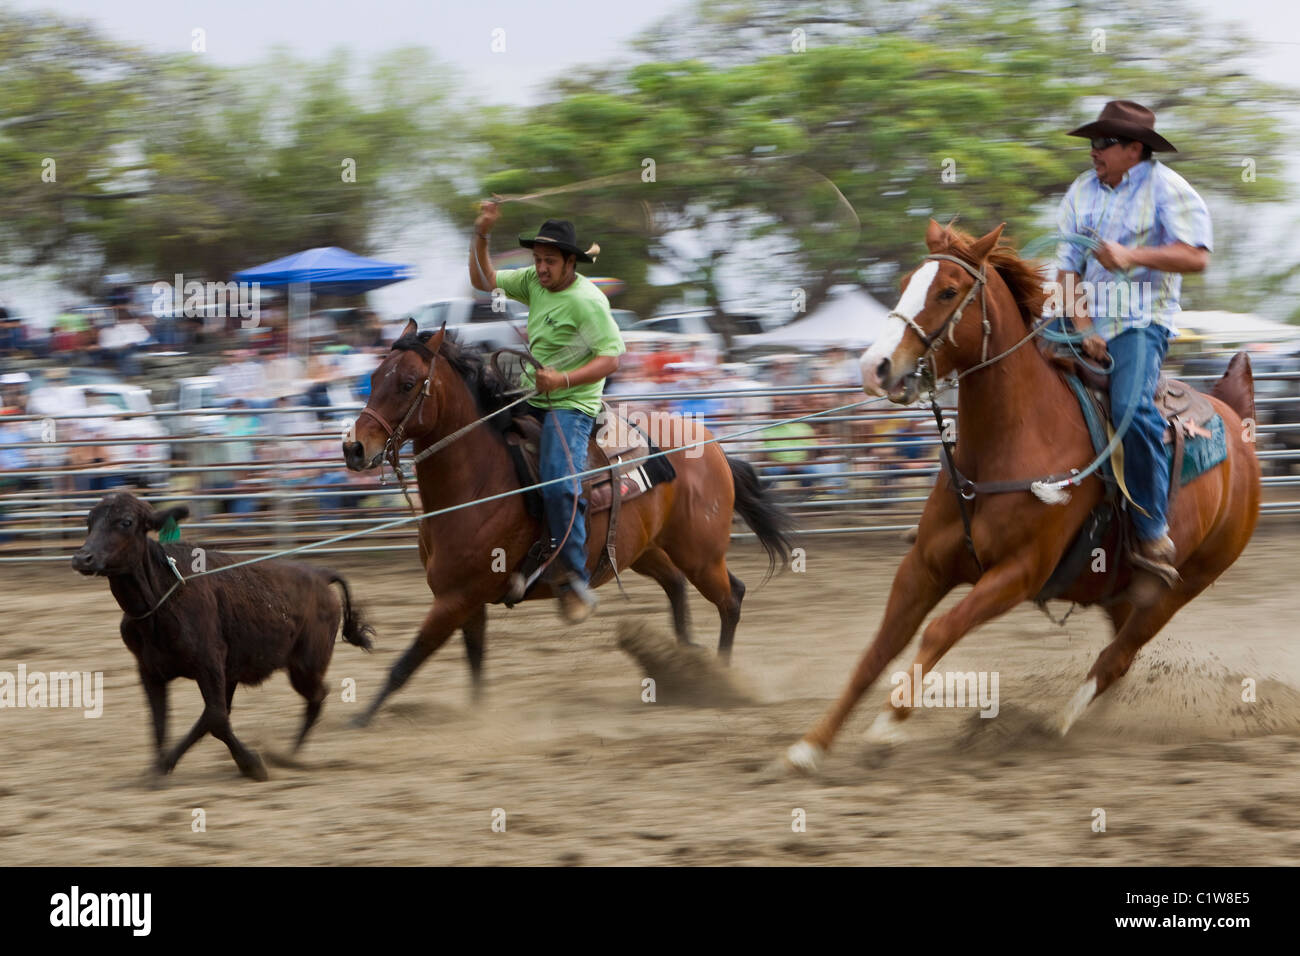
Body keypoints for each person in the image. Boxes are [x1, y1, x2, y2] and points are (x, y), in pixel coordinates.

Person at [1052, 100, 1212, 602]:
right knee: (998, 369)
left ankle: (1151, 529)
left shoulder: (1170, 190)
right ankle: (960, 510)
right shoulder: (1081, 191)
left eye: (1103, 143)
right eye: (1093, 142)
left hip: (1140, 321)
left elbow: (1196, 257)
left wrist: (1132, 255)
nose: (1093, 152)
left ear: (1133, 149)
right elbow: (1067, 270)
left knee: (1130, 410)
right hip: (1082, 316)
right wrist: (1080, 328)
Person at [469, 204, 626, 623]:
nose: (540, 269)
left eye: (549, 262)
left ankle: (575, 577)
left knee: (559, 481)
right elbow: (483, 281)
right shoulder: (532, 282)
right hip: (532, 391)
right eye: (537, 260)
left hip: (572, 404)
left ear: (570, 262)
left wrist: (563, 381)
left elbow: (611, 358)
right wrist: (481, 234)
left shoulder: (588, 302)